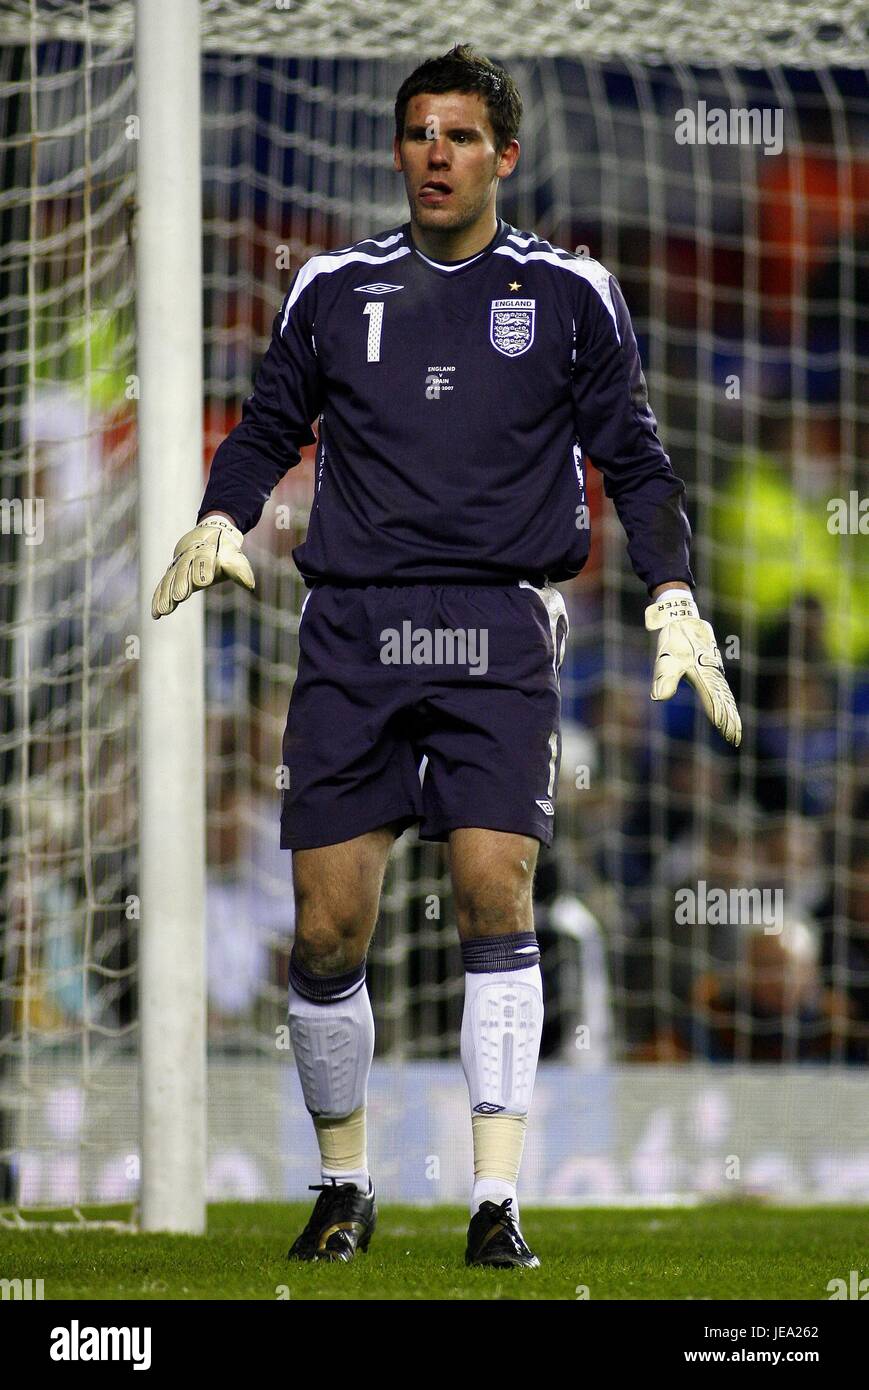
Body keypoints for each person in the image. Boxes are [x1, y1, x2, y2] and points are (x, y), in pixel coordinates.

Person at [151, 45, 740, 1269]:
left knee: (494, 888)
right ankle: (343, 1182)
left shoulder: (571, 293)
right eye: (419, 132)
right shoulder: (328, 286)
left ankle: (494, 1202)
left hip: (499, 626)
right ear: (398, 149)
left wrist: (675, 592)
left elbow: (632, 457)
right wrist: (221, 511)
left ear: (502, 156)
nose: (435, 152)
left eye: (460, 135)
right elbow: (266, 426)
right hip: (353, 630)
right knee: (324, 929)